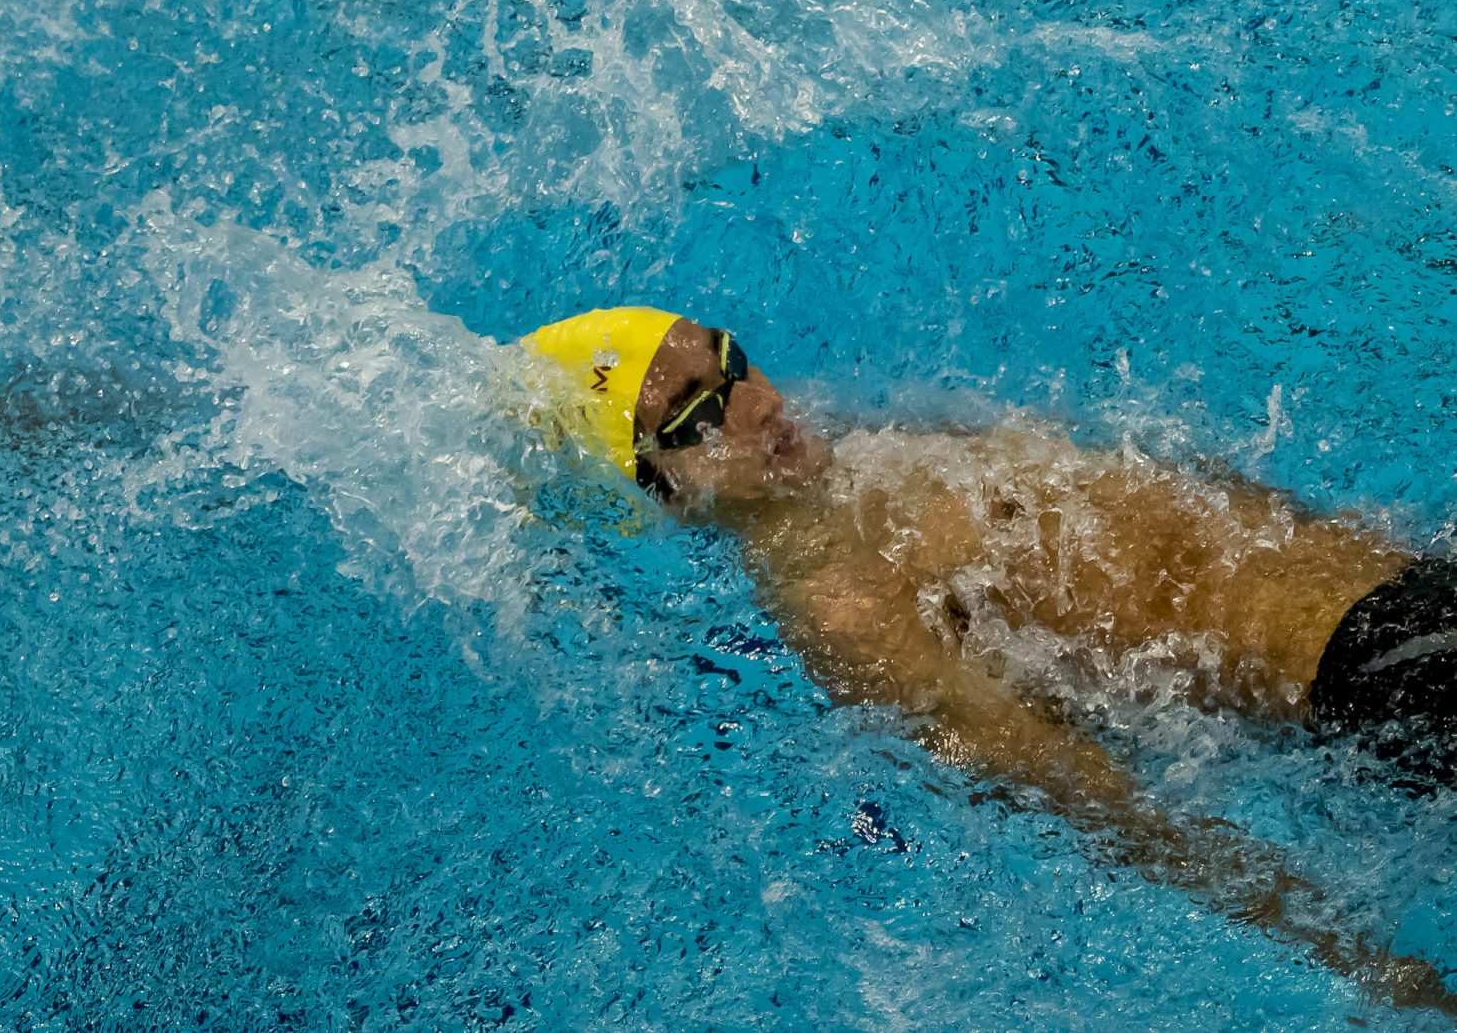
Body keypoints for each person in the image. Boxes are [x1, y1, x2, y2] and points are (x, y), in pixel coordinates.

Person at [523, 305, 1457, 1012]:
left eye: (731, 361)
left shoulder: (879, 439)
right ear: (661, 490)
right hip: (1379, 669)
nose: (757, 405)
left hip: (1404, 581)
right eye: (697, 416)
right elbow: (1086, 794)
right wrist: (1352, 955)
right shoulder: (839, 606)